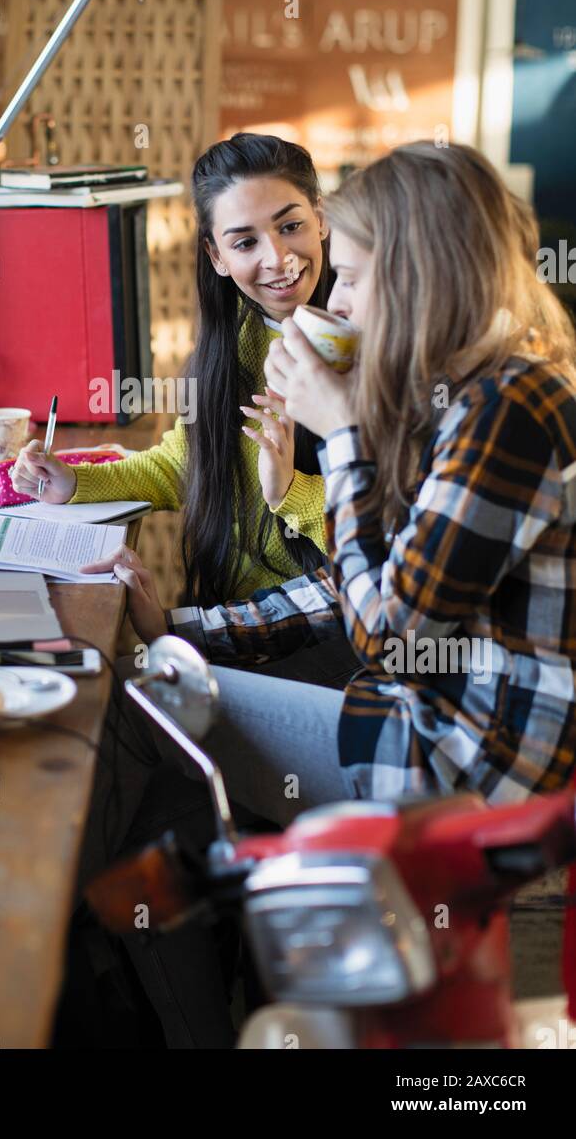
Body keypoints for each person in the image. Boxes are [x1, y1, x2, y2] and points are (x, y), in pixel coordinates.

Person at [80, 141, 576, 907]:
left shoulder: (509, 409)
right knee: (163, 741)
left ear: (416, 270)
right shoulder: (458, 387)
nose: (333, 301)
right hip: (427, 714)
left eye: (347, 275)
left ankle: (76, 966)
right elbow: (352, 585)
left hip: (476, 759)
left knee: (143, 717)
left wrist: (341, 435)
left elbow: (385, 630)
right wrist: (180, 626)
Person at [11, 134, 335, 606]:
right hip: (235, 616)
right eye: (245, 242)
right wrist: (75, 483)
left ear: (321, 219)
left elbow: (397, 544)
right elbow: (182, 465)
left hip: (323, 630)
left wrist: (290, 492)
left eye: (290, 226)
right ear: (216, 258)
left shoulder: (370, 348)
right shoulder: (238, 342)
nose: (277, 258)